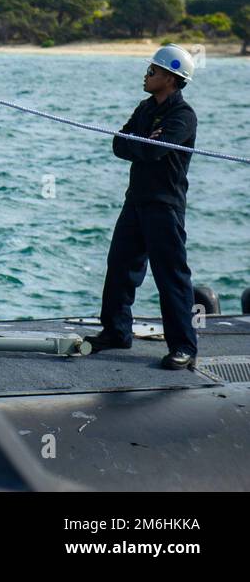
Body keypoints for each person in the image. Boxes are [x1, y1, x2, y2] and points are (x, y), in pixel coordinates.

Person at [87, 45, 199, 370]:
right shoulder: (145, 108)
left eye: (153, 71)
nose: (146, 75)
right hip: (136, 200)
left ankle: (184, 346)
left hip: (164, 206)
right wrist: (142, 141)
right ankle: (116, 331)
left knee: (171, 275)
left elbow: (150, 151)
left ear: (170, 78)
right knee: (121, 266)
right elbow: (119, 144)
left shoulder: (183, 116)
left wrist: (141, 142)